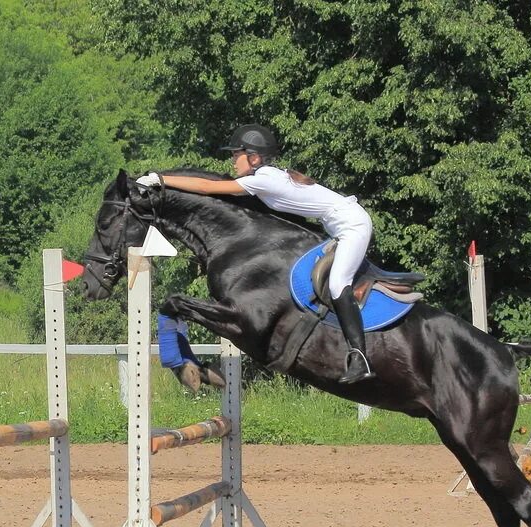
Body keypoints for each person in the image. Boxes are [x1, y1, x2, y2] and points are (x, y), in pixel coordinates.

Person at [136, 124, 377, 383]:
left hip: (352, 225)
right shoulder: (267, 177)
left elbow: (206, 187)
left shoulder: (262, 180)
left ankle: (359, 358)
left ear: (253, 157)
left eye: (236, 154)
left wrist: (161, 180)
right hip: (338, 226)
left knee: (339, 283)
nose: (233, 160)